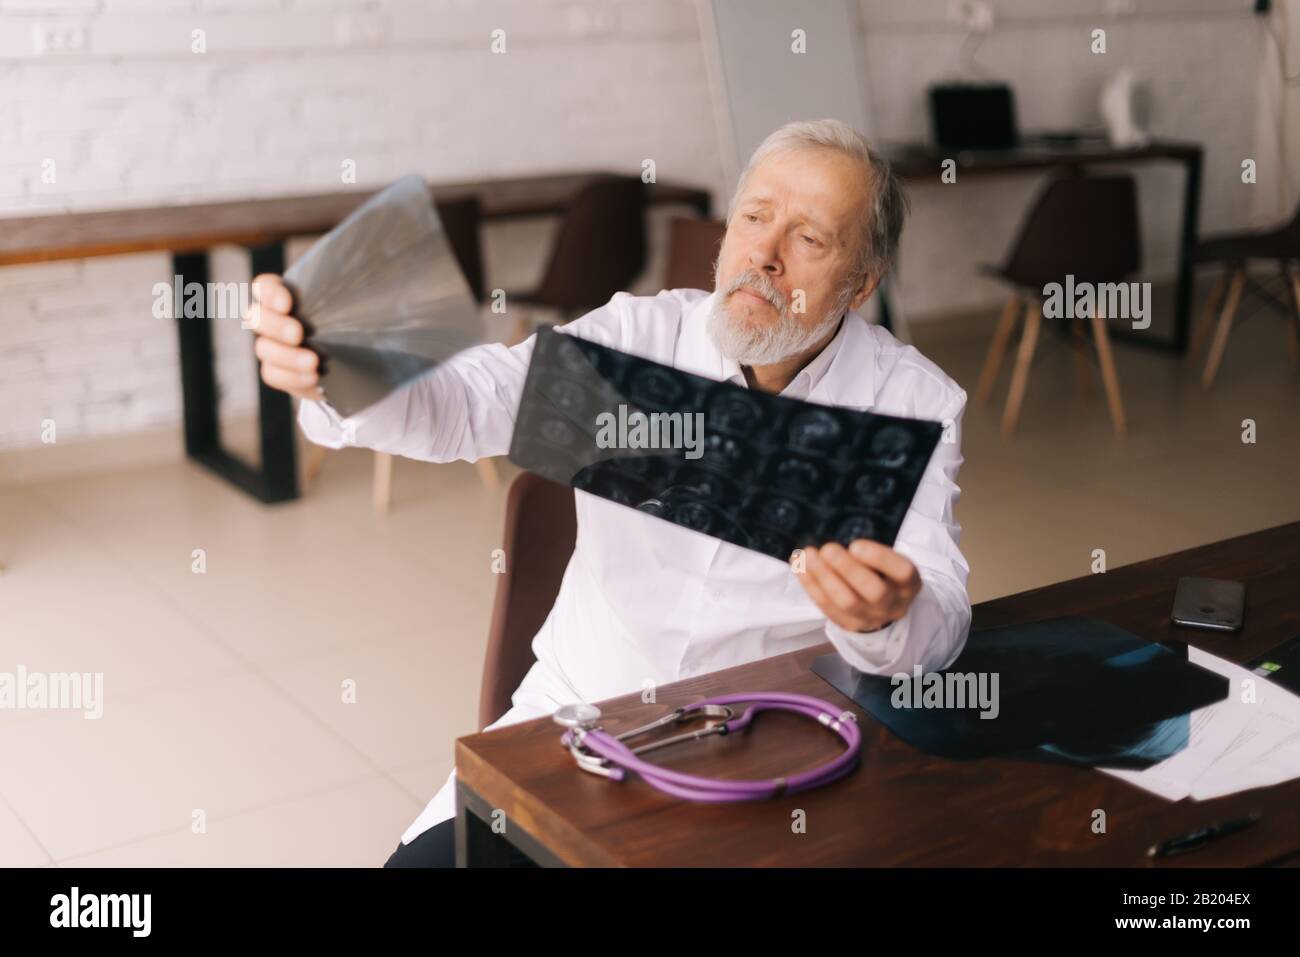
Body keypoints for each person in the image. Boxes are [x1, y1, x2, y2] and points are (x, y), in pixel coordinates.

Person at [247, 118, 972, 866]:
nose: (765, 254)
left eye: (810, 239)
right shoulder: (638, 342)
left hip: (778, 748)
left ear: (861, 283)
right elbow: (468, 403)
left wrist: (888, 618)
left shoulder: (910, 403)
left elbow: (940, 616)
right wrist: (340, 370)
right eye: (755, 217)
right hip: (583, 720)